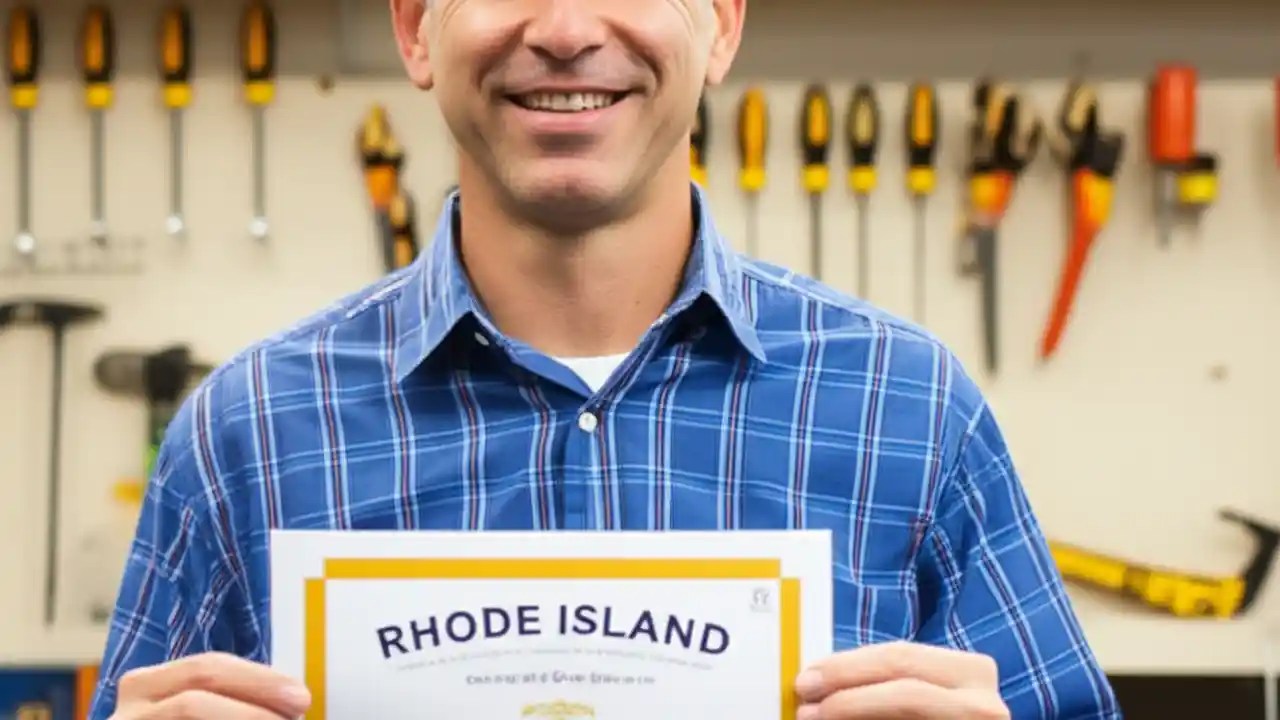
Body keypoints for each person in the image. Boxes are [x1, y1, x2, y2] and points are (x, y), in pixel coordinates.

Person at [88, 0, 1120, 718]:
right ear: (415, 28)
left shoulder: (906, 407)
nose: (568, 31)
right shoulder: (247, 432)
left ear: (718, 22)